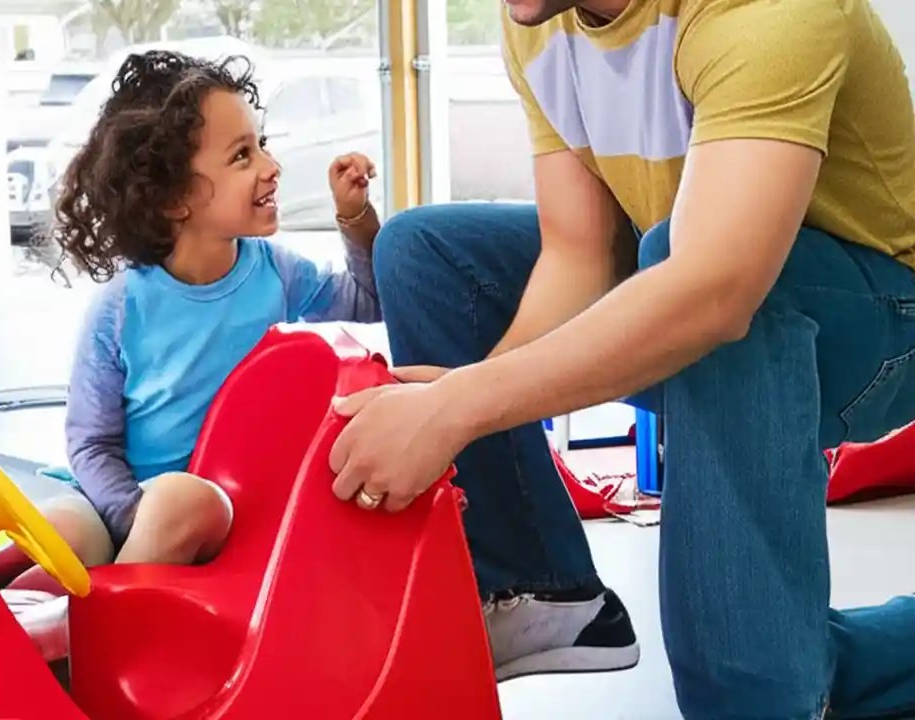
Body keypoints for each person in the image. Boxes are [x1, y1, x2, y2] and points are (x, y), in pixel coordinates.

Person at [329, 1, 915, 718]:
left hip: (884, 326)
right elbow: (577, 255)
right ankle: (541, 588)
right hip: (704, 283)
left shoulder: (766, 11)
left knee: (684, 263)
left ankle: (761, 695)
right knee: (425, 250)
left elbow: (716, 290)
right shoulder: (538, 19)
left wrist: (458, 408)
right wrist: (467, 399)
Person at [0, 50, 384, 656]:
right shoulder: (121, 308)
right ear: (175, 199)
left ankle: (98, 645)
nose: (271, 167)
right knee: (66, 525)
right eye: (242, 155)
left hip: (221, 512)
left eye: (262, 145)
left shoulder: (276, 273)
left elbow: (366, 300)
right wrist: (134, 515)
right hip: (127, 508)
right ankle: (3, 642)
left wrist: (355, 218)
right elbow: (91, 444)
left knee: (183, 500)